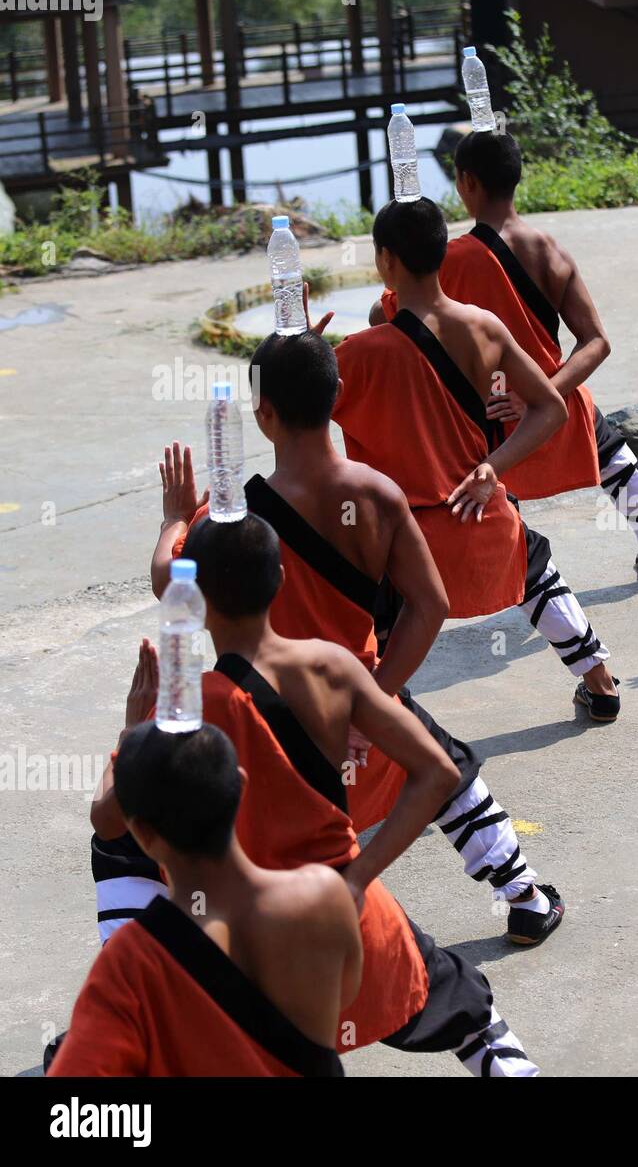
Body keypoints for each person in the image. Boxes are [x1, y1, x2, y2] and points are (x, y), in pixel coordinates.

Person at [147, 327, 563, 944]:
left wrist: (175, 517)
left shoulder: (235, 520)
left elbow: (167, 581)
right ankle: (522, 896)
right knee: (446, 772)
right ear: (338, 393)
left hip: (274, 714)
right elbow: (429, 606)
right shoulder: (376, 493)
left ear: (263, 416)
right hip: (361, 692)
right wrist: (375, 704)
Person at [96, 524, 541, 1074]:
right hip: (342, 910)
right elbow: (437, 770)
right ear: (280, 580)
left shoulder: (188, 704)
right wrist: (357, 879)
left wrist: (132, 729)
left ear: (198, 602)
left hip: (244, 943)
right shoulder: (332, 668)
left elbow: (109, 821)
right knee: (457, 1005)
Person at [338, 198, 621, 722]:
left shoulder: (358, 353)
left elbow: (289, 411)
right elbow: (550, 409)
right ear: (444, 253)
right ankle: (600, 682)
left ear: (385, 262)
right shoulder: (484, 327)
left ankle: (378, 721)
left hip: (404, 544)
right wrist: (494, 466)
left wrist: (304, 348)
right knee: (536, 569)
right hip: (482, 515)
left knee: (370, 623)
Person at [371, 129, 638, 584]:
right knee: (613, 458)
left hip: (488, 410)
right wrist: (544, 393)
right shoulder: (550, 251)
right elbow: (596, 342)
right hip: (557, 397)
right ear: (516, 178)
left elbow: (385, 316)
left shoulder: (453, 258)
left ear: (467, 183)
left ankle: (519, 574)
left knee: (490, 484)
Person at [49, 722, 358, 1077]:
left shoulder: (133, 960)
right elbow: (345, 995)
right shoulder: (325, 898)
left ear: (140, 835)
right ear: (240, 787)